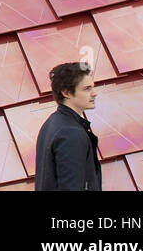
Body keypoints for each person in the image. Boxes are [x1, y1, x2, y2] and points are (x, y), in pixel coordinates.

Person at [34, 62, 102, 191]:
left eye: (93, 87)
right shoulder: (71, 133)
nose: (94, 93)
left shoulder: (53, 123)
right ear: (66, 92)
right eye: (87, 88)